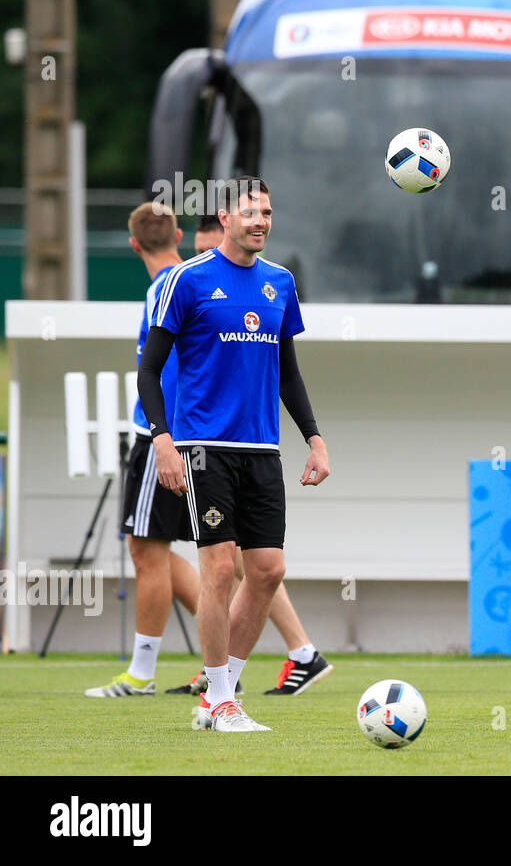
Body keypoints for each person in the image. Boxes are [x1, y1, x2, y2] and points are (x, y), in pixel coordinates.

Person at [138, 176, 330, 732]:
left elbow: (287, 373)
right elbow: (150, 370)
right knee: (220, 567)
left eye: (268, 212)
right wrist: (163, 439)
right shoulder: (186, 281)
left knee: (268, 570)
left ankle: (219, 695)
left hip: (261, 449)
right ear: (224, 219)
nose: (262, 221)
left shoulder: (281, 283)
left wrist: (313, 438)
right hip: (202, 449)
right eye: (251, 212)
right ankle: (220, 698)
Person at [85, 203, 200, 697]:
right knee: (156, 549)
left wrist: (162, 438)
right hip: (172, 436)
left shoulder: (167, 288)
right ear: (178, 232)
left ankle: (141, 674)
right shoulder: (185, 283)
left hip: (161, 438)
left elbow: (166, 372)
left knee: (147, 551)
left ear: (133, 246)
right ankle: (230, 641)